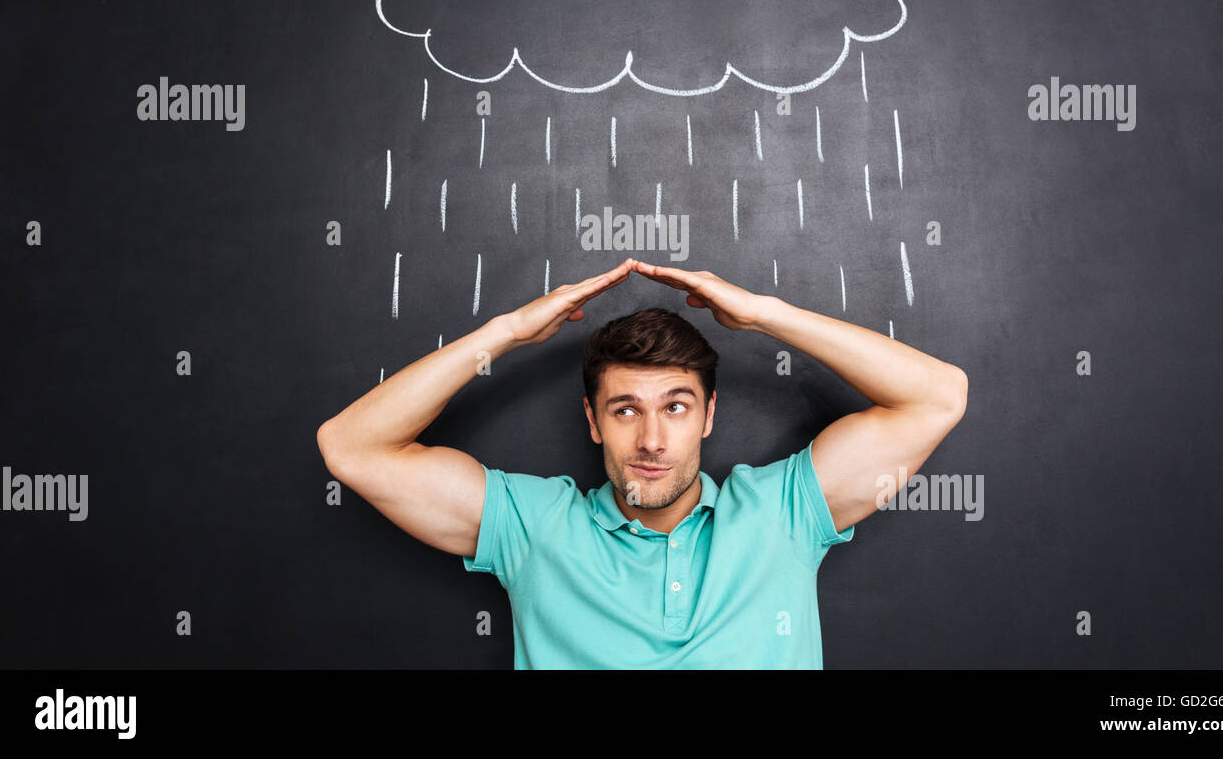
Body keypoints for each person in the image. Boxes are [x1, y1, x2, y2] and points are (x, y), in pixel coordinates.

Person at [317, 258, 967, 668]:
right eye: (626, 409)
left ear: (708, 416)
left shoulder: (784, 513)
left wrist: (767, 316)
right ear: (593, 421)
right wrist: (505, 332)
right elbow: (350, 446)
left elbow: (939, 396)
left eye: (676, 408)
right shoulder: (535, 528)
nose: (653, 439)